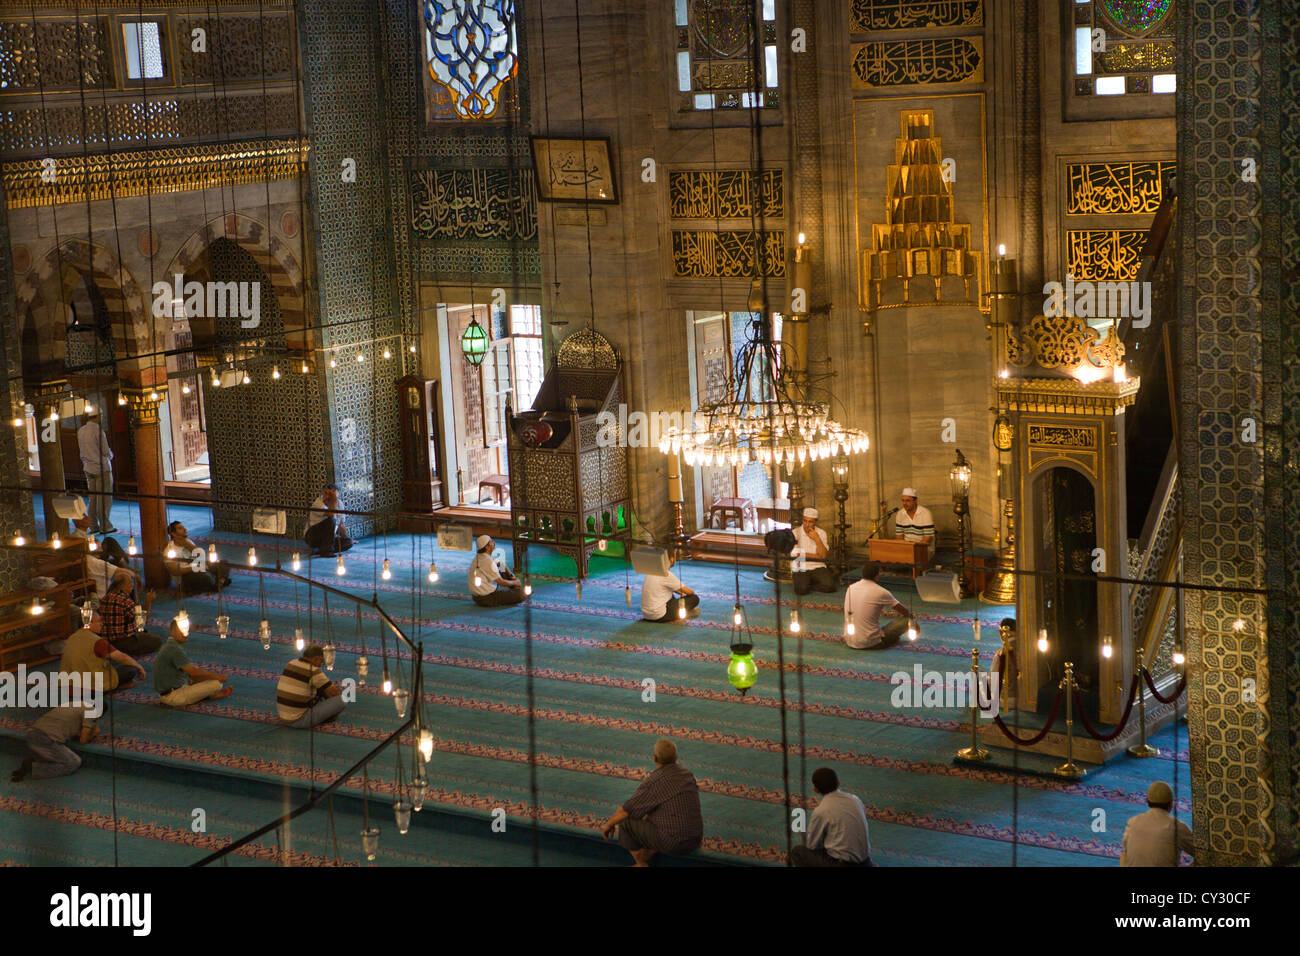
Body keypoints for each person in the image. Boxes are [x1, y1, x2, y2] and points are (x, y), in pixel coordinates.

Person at [601, 739, 703, 866]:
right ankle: (650, 849)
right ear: (676, 757)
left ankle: (641, 863)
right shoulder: (687, 774)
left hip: (675, 843)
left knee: (626, 821)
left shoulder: (655, 780)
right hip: (695, 839)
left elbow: (627, 810)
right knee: (647, 811)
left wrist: (608, 824)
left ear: (655, 758)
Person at [788, 767, 874, 867]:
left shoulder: (821, 810)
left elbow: (812, 845)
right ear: (838, 783)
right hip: (866, 862)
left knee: (798, 852)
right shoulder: (855, 799)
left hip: (842, 864)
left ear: (815, 789)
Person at [59, 611, 145, 693]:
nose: (101, 624)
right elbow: (122, 657)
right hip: (88, 688)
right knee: (131, 669)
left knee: (111, 664)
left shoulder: (72, 637)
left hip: (66, 686)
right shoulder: (96, 641)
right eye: (98, 621)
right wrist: (138, 666)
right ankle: (112, 688)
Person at [154, 619, 233, 707]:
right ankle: (209, 696)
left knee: (198, 679)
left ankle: (205, 696)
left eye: (186, 630)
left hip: (171, 691)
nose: (185, 633)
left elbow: (191, 675)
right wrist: (218, 676)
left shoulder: (169, 646)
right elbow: (194, 672)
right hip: (173, 696)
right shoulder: (174, 649)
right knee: (217, 684)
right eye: (181, 630)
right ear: (172, 632)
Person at [10, 705, 100, 782]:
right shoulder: (90, 711)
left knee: (57, 756)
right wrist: (93, 733)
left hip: (32, 733)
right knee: (73, 763)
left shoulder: (72, 705)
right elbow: (83, 740)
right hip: (46, 739)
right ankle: (34, 768)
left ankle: (35, 760)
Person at [1120, 781, 1194, 866]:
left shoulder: (1132, 822)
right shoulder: (1177, 827)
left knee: (1125, 854)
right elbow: (1204, 853)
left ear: (1147, 801)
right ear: (1171, 804)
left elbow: (1125, 853)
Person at [843, 562, 911, 650]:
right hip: (872, 642)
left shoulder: (850, 588)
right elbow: (905, 612)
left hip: (849, 640)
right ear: (877, 576)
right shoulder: (880, 591)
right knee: (908, 621)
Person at [276, 644, 345, 728]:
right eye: (321, 662)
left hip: (283, 717)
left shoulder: (291, 663)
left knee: (318, 689)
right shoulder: (313, 671)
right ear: (316, 659)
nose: (320, 665)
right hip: (299, 720)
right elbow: (335, 693)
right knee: (341, 700)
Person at [97, 574, 162, 657]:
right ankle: (125, 652)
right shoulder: (125, 601)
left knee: (143, 633)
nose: (132, 585)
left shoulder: (104, 598)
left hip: (107, 641)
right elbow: (141, 623)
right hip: (123, 642)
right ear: (122, 585)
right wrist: (148, 602)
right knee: (157, 641)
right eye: (130, 582)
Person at [162, 520, 230, 593]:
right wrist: (194, 567)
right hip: (185, 575)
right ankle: (219, 582)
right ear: (173, 534)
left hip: (198, 567)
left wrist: (187, 544)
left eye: (183, 527)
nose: (185, 529)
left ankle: (218, 582)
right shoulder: (169, 550)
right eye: (180, 528)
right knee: (204, 577)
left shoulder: (188, 542)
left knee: (223, 563)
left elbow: (200, 555)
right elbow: (174, 571)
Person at [77, 410, 116, 534]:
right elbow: (105, 451)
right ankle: (105, 526)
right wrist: (111, 455)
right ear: (98, 416)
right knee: (104, 498)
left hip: (88, 468)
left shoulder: (81, 430)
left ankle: (93, 526)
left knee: (93, 498)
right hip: (101, 468)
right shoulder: (98, 431)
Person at [640, 551, 699, 622]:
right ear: (671, 559)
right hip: (660, 616)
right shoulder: (666, 574)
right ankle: (683, 614)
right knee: (694, 598)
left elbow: (664, 587)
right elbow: (690, 592)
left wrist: (678, 591)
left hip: (646, 615)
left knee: (671, 594)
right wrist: (682, 593)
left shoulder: (652, 571)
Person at [469, 535, 526, 607]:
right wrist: (515, 582)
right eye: (492, 542)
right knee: (520, 594)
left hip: (478, 597)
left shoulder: (482, 556)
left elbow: (501, 564)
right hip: (486, 598)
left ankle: (515, 588)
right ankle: (517, 590)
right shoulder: (487, 561)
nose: (494, 542)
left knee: (500, 566)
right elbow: (501, 582)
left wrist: (512, 577)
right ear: (487, 547)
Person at [792, 507, 838, 595]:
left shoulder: (821, 533)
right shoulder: (795, 532)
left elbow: (823, 556)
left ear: (815, 522)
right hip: (801, 566)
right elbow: (797, 555)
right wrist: (817, 556)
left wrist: (817, 539)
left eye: (810, 522)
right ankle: (806, 583)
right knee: (801, 590)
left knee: (831, 587)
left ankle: (810, 584)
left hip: (818, 566)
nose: (807, 524)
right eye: (805, 521)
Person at [304, 484, 352, 557]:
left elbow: (341, 525)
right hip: (313, 536)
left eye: (331, 494)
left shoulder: (339, 504)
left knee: (348, 542)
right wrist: (333, 501)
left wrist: (346, 537)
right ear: (322, 494)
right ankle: (327, 551)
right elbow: (331, 515)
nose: (328, 497)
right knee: (331, 520)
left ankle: (321, 550)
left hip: (328, 539)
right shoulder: (318, 503)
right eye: (326, 494)